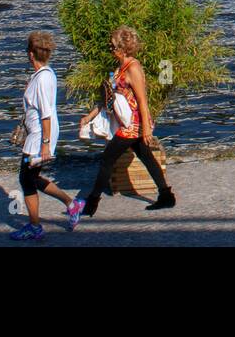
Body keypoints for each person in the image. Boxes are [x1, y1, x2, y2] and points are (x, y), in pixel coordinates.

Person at [77, 26, 176, 217]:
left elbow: (142, 100)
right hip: (128, 123)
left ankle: (91, 203)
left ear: (123, 48)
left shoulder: (133, 68)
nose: (110, 49)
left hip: (134, 125)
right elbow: (110, 97)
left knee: (107, 159)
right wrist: (89, 116)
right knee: (146, 156)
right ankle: (166, 195)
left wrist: (146, 129)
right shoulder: (119, 68)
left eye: (113, 46)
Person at [10, 32, 83, 240]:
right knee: (31, 177)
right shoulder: (47, 73)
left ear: (31, 54)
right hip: (38, 134)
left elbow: (46, 114)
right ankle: (71, 204)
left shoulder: (42, 79)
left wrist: (45, 144)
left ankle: (35, 226)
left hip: (40, 136)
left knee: (26, 178)